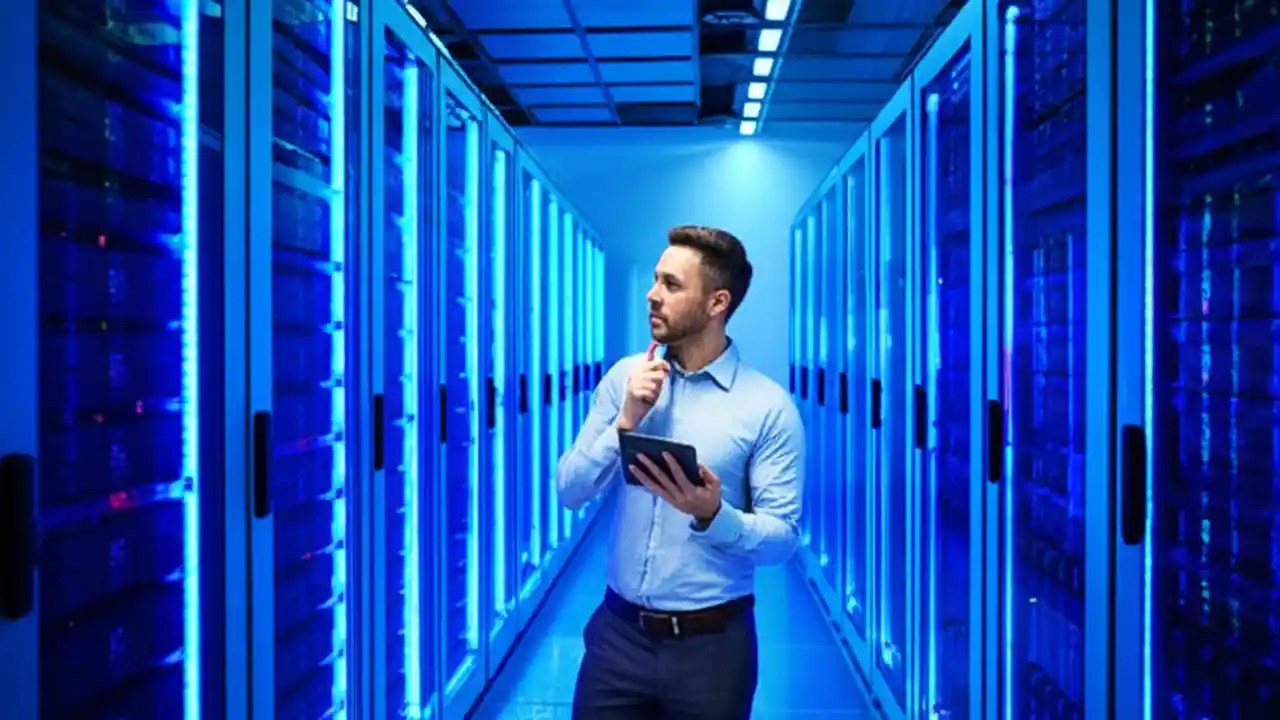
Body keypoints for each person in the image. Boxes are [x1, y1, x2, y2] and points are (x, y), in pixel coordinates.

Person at [555, 224, 806, 719]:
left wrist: (715, 514)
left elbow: (783, 539)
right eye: (655, 280)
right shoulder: (625, 379)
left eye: (671, 285)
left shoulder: (768, 407)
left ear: (717, 303)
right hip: (616, 639)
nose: (652, 295)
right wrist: (624, 423)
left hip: (712, 651)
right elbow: (570, 489)